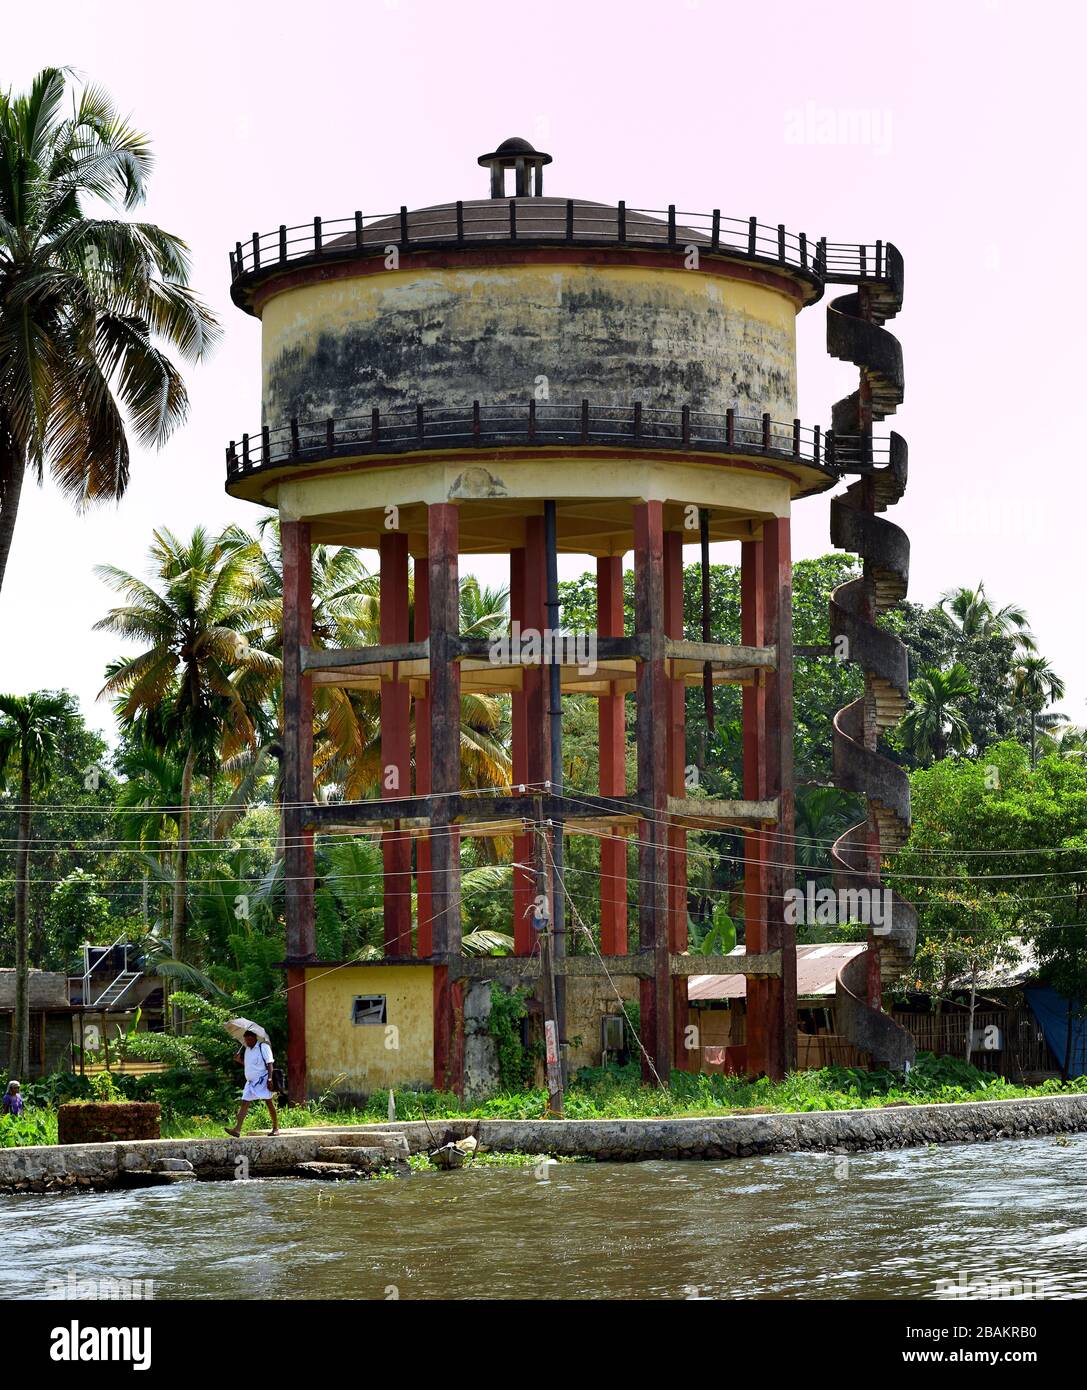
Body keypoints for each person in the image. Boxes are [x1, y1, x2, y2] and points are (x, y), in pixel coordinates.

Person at [225, 1030, 278, 1137]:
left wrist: (270, 1079)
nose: (247, 1042)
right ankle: (237, 1129)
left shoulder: (264, 1047)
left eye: (249, 1040)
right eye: (245, 1040)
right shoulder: (248, 1049)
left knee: (269, 1102)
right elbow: (249, 1065)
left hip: (263, 1080)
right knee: (244, 1103)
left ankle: (275, 1128)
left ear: (254, 1038)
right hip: (250, 1083)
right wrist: (239, 1060)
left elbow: (270, 1063)